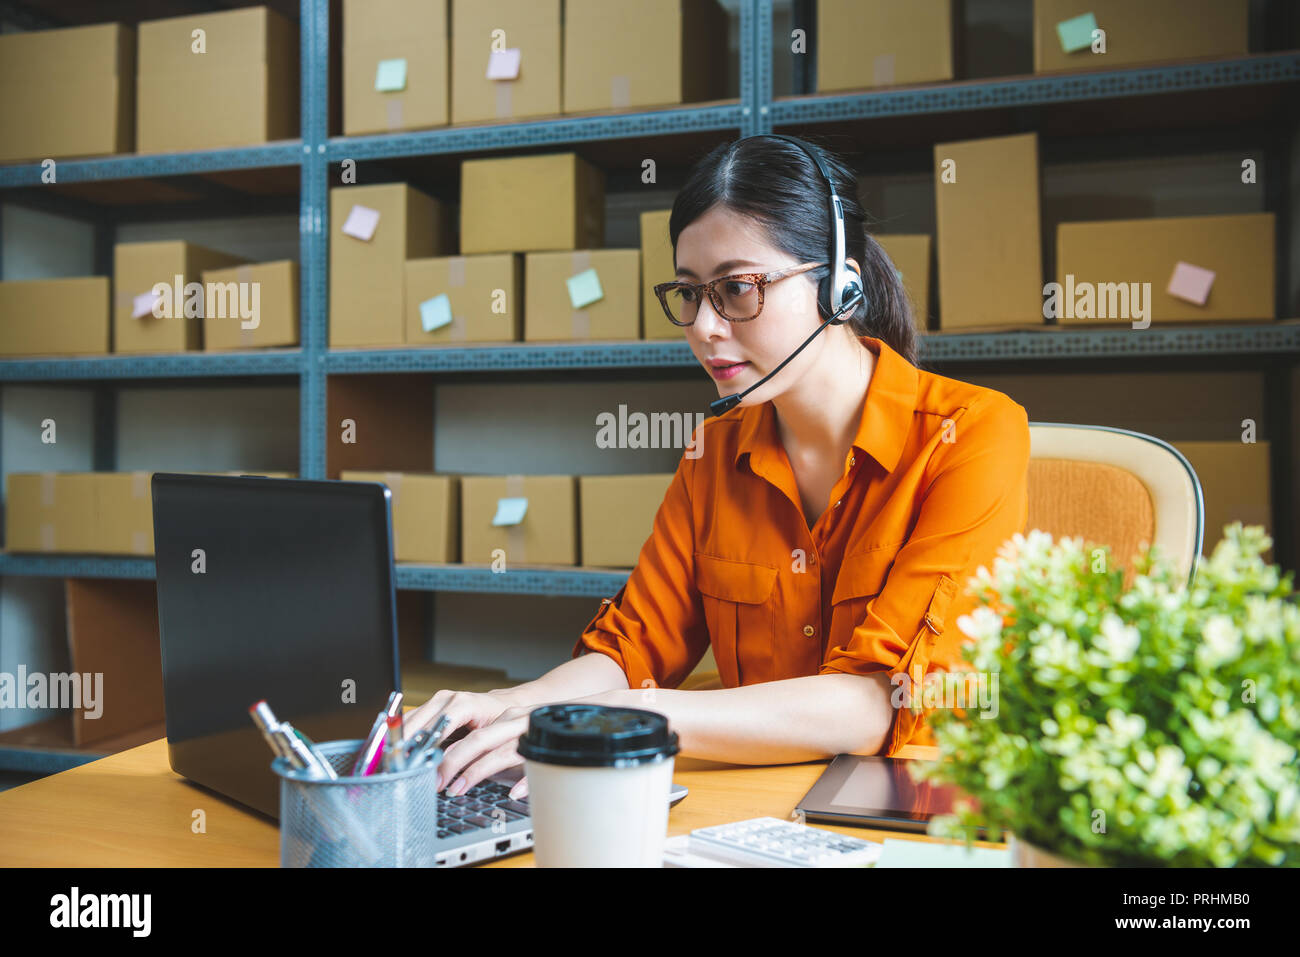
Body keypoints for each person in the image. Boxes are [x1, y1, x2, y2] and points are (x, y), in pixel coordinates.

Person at [406, 134, 1030, 800]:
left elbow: (876, 702)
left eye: (736, 288)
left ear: (840, 283)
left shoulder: (975, 433)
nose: (704, 325)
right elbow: (631, 653)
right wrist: (511, 706)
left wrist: (622, 719)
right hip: (752, 811)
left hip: (918, 814)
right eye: (689, 293)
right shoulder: (713, 452)